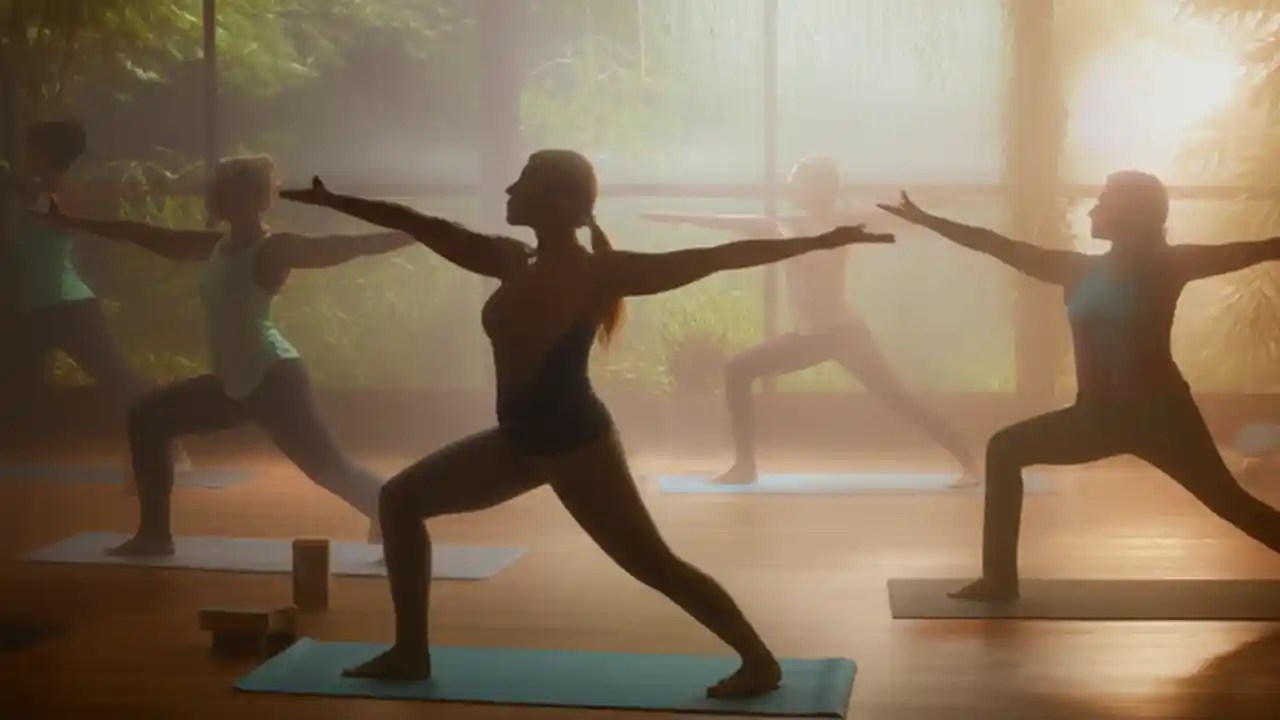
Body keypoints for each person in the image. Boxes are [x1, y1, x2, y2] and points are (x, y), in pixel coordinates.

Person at [279, 149, 893, 698]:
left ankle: (760, 662)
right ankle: (410, 653)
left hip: (576, 445)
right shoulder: (508, 258)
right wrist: (337, 201)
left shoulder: (600, 272)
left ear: (558, 201)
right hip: (517, 441)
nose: (508, 190)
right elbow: (422, 223)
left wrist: (819, 241)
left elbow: (718, 257)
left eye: (522, 181)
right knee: (399, 500)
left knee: (654, 564)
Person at [879, 172, 1280, 602]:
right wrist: (926, 219)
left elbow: (1253, 251)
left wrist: (925, 219)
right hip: (1100, 417)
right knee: (1004, 449)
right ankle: (998, 581)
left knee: (1230, 504)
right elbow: (994, 244)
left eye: (1103, 202)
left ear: (1128, 215)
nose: (1093, 209)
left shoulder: (1166, 264)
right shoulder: (1082, 269)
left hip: (1164, 418)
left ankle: (998, 581)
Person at [35, 155, 414, 554]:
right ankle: (154, 536)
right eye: (219, 188)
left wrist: (417, 232)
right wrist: (74, 223)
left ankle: (395, 510)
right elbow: (144, 233)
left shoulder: (273, 249)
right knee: (148, 418)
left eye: (227, 188)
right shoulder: (214, 245)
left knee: (329, 469)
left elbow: (346, 247)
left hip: (273, 380)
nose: (217, 195)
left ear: (253, 197)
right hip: (234, 382)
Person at [645, 156, 976, 485]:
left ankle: (969, 462)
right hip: (809, 337)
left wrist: (945, 199)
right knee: (737, 370)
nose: (795, 188)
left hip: (846, 335)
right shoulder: (783, 225)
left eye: (802, 182)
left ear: (821, 189)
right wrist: (673, 216)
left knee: (898, 398)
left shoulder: (844, 223)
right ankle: (744, 467)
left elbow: (899, 215)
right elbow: (723, 220)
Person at [1, 120, 190, 472]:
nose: (26, 156)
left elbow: (53, 203)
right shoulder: (33, 192)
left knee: (119, 379)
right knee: (15, 383)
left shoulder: (59, 193)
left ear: (44, 154)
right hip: (32, 309)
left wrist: (15, 182)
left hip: (68, 307)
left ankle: (169, 441)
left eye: (31, 150)